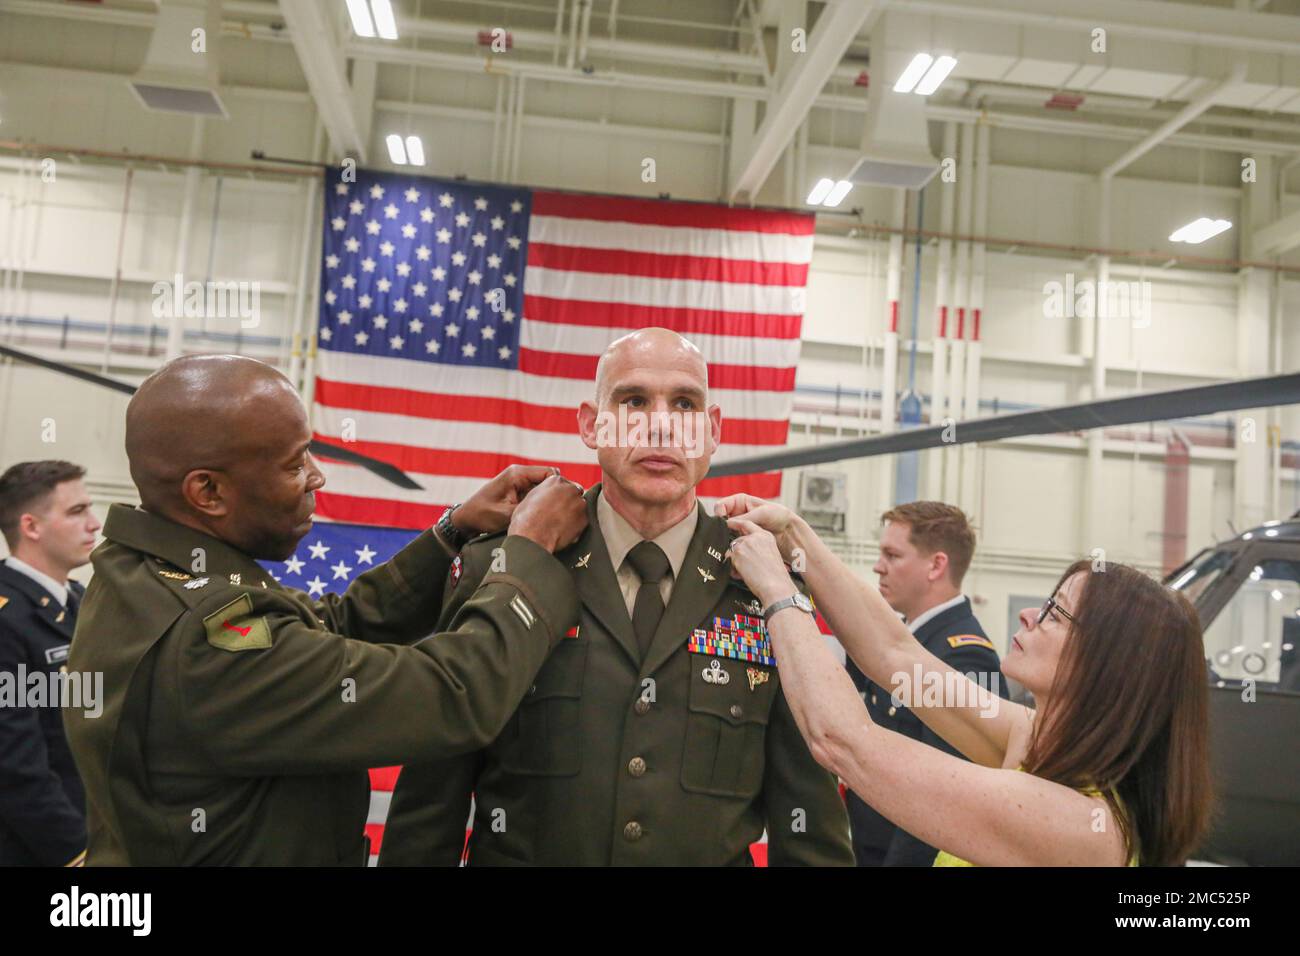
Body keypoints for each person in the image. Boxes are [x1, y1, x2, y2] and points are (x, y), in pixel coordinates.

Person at [63, 354, 588, 865]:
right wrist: (528, 555)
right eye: (295, 463)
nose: (318, 477)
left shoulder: (140, 571)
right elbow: (452, 695)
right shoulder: (207, 639)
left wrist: (451, 534)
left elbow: (324, 632)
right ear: (208, 491)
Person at [381, 328, 853, 866]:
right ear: (590, 424)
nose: (660, 424)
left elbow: (810, 821)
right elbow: (430, 804)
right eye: (632, 401)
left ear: (712, 430)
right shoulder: (506, 564)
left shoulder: (766, 586)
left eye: (684, 403)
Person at [718, 493, 1212, 866]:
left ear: (1107, 664)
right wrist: (795, 538)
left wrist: (779, 593)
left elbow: (847, 742)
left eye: (1055, 614)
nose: (1027, 616)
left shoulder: (1082, 825)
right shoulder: (1035, 741)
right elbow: (895, 654)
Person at [847, 501, 1008, 866]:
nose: (878, 566)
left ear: (936, 565)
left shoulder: (963, 657)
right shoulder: (910, 640)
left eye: (892, 554)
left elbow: (944, 801)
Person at [0, 461, 100, 866]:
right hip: (39, 846)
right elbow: (14, 763)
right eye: (77, 512)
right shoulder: (8, 619)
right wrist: (74, 851)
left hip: (91, 818)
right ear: (32, 527)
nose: (94, 524)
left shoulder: (78, 599)